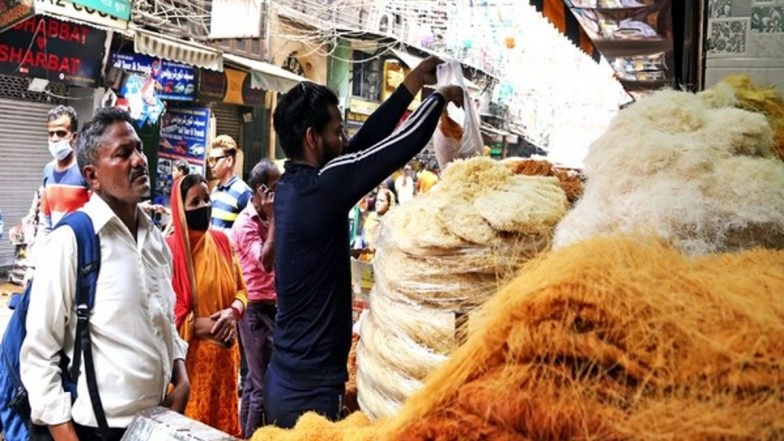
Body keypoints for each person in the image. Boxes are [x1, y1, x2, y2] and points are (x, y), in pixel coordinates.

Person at [267, 55, 464, 428]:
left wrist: (409, 87)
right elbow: (395, 148)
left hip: (289, 380)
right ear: (312, 138)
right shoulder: (322, 188)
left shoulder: (297, 184)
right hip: (307, 394)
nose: (343, 139)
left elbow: (362, 148)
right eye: (337, 131)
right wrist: (436, 99)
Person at [20, 107, 190, 441]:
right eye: (123, 154)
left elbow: (163, 321)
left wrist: (181, 377)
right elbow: (39, 354)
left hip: (156, 423)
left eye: (139, 148)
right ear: (93, 176)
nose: (139, 160)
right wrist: (65, 435)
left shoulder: (154, 238)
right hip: (98, 430)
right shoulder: (72, 242)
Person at [167, 173, 248, 437]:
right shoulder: (169, 252)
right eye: (194, 202)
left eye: (206, 199)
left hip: (225, 364)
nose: (203, 207)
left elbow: (241, 290)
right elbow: (167, 316)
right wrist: (212, 327)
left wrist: (233, 312)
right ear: (180, 209)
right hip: (191, 368)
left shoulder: (223, 242)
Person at [231, 159, 280, 437]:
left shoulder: (268, 218)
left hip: (271, 305)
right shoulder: (246, 224)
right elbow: (265, 261)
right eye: (276, 187)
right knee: (261, 384)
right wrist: (274, 219)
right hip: (254, 309)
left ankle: (243, 433)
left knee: (253, 381)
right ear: (262, 190)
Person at [207, 135, 252, 235]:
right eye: (209, 160)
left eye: (214, 159)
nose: (210, 164)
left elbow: (250, 231)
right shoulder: (215, 191)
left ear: (229, 161)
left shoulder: (243, 193)